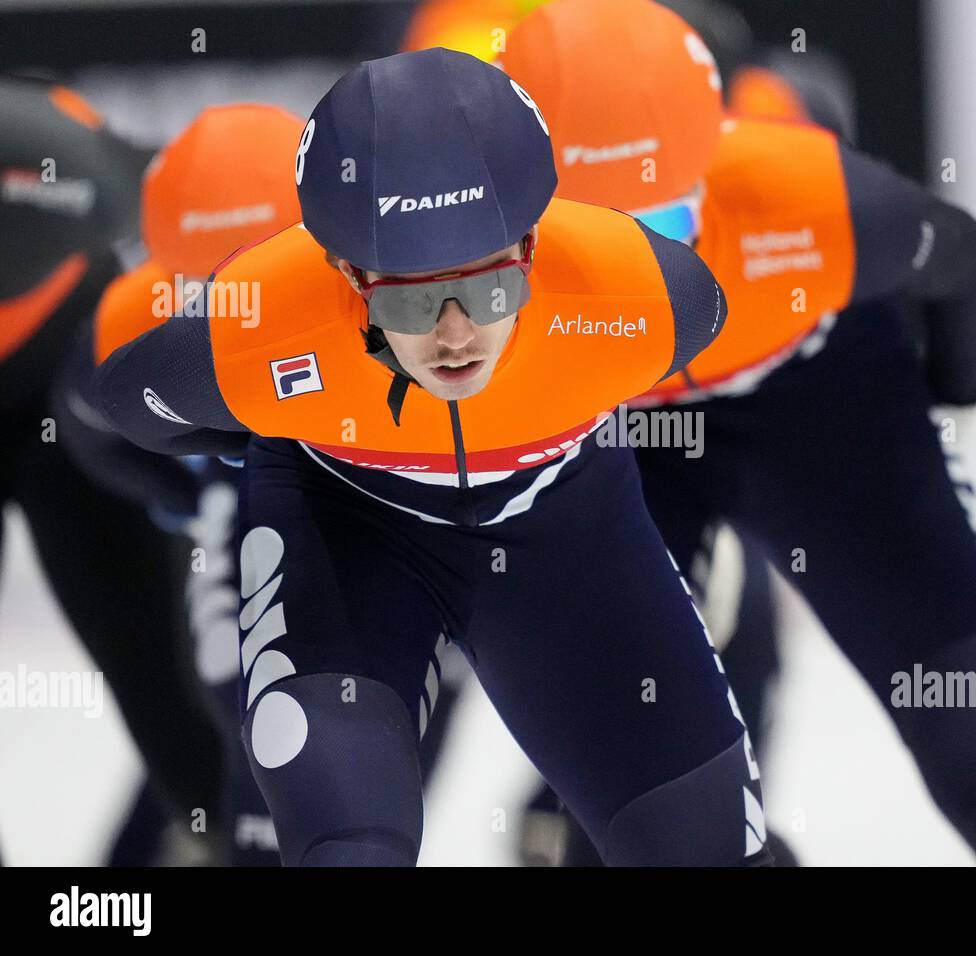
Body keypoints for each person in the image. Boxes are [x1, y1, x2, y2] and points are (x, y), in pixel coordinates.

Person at [92, 48, 769, 867]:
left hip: (567, 535)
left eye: (490, 293)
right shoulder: (255, 326)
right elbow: (120, 408)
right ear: (346, 272)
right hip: (348, 535)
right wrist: (253, 453)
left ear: (530, 251)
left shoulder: (648, 293)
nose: (454, 335)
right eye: (412, 299)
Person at [499, 0, 976, 866]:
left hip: (824, 410)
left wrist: (954, 407)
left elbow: (966, 259)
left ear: (711, 164)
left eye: (670, 224)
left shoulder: (806, 195)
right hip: (621, 432)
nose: (648, 270)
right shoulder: (467, 255)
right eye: (598, 236)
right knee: (624, 818)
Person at [56, 103, 308, 866]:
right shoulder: (127, 322)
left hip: (377, 515)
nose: (233, 309)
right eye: (206, 288)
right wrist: (190, 498)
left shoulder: (392, 297)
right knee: (246, 703)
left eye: (261, 278)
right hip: (244, 515)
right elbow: (84, 425)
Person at [0, 75, 228, 863]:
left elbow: (179, 187)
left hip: (63, 384)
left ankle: (230, 838)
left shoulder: (51, 150)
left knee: (167, 683)